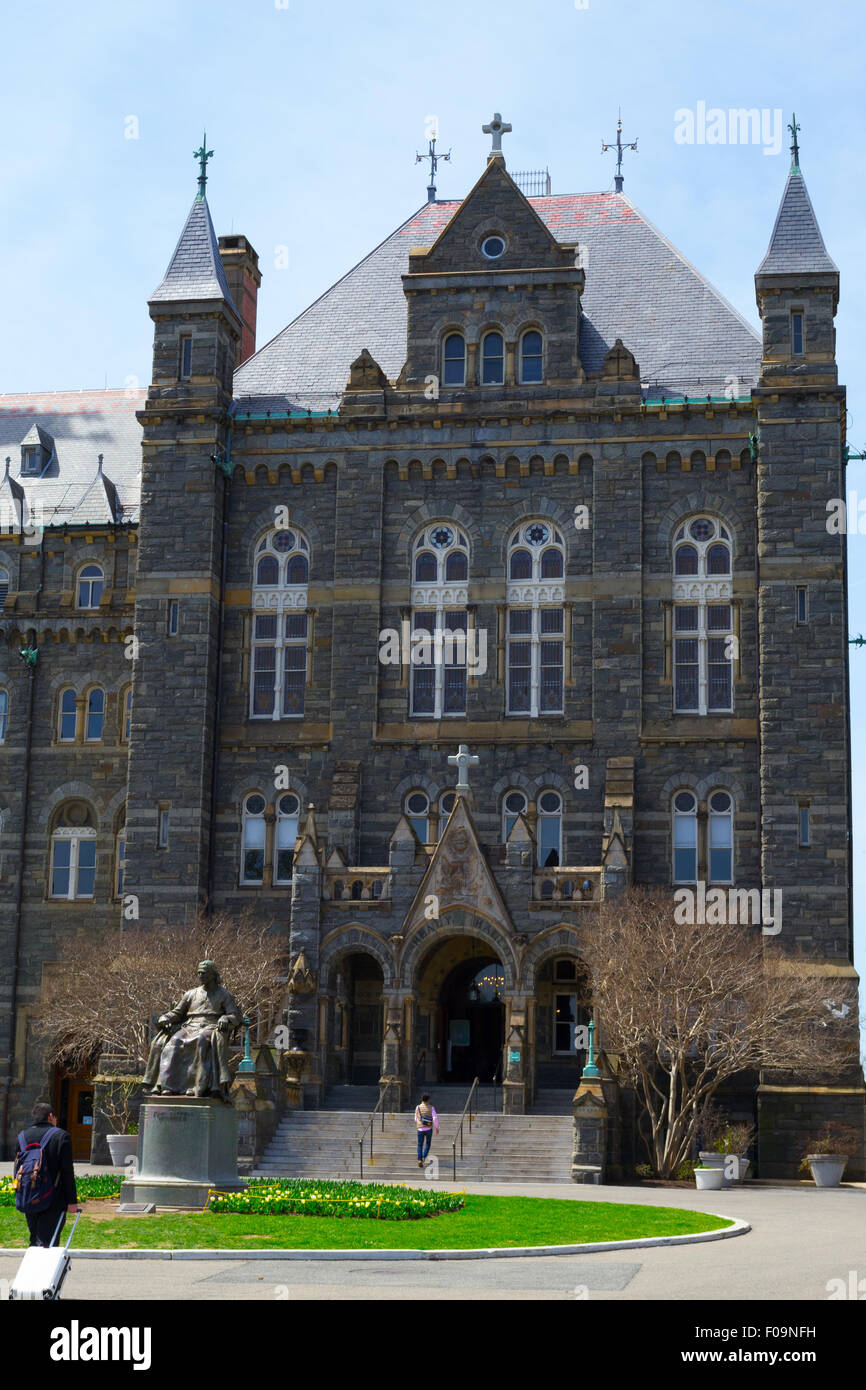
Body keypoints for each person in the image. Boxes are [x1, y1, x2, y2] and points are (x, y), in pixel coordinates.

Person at [143, 960, 242, 1099]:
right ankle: (168, 1086)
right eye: (199, 973)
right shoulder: (190, 994)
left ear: (212, 975)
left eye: (204, 973)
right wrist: (165, 1017)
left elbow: (234, 1015)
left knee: (201, 1041)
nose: (200, 975)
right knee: (174, 1042)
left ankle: (195, 1087)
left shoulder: (224, 994)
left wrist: (226, 1018)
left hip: (211, 1026)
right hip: (190, 1026)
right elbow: (177, 1012)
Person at [13, 1101, 79, 1248]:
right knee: (48, 1243)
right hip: (53, 1198)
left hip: (29, 1195)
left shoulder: (22, 1137)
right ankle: (42, 1270)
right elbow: (67, 1171)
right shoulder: (61, 1136)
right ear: (50, 1116)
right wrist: (72, 1201)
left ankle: (32, 1269)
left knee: (34, 1239)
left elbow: (17, 1167)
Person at [414, 1094, 439, 1167]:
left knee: (420, 1145)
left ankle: (419, 1159)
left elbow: (415, 1118)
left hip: (420, 1128)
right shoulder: (431, 1107)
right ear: (428, 1100)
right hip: (428, 1128)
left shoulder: (417, 1107)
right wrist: (437, 1127)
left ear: (421, 1099)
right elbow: (435, 1118)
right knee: (428, 1144)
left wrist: (419, 1122)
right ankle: (424, 1157)